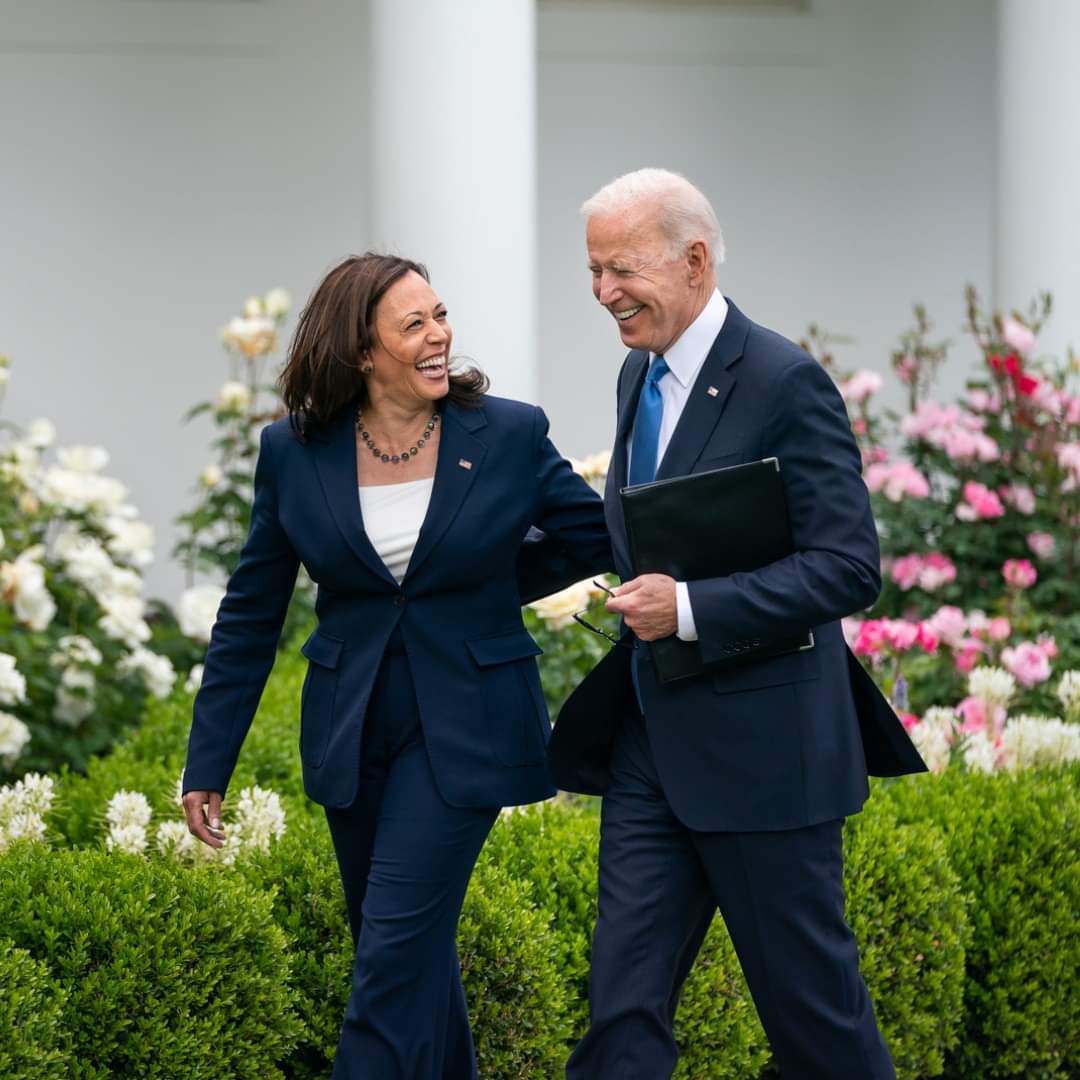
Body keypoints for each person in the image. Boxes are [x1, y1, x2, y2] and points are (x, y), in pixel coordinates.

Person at [181, 253, 612, 1080]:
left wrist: (488, 587)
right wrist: (210, 761)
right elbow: (250, 611)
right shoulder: (293, 451)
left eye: (440, 316)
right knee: (405, 954)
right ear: (361, 351)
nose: (439, 335)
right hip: (353, 728)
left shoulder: (509, 433)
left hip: (468, 729)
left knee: (388, 960)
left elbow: (592, 536)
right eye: (413, 324)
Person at [553, 168, 925, 1079]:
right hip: (652, 747)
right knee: (621, 1016)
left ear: (694, 259)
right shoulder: (635, 373)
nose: (604, 293)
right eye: (592, 271)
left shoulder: (785, 380)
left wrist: (687, 608)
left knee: (818, 1031)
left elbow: (847, 566)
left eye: (621, 270)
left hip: (769, 757)